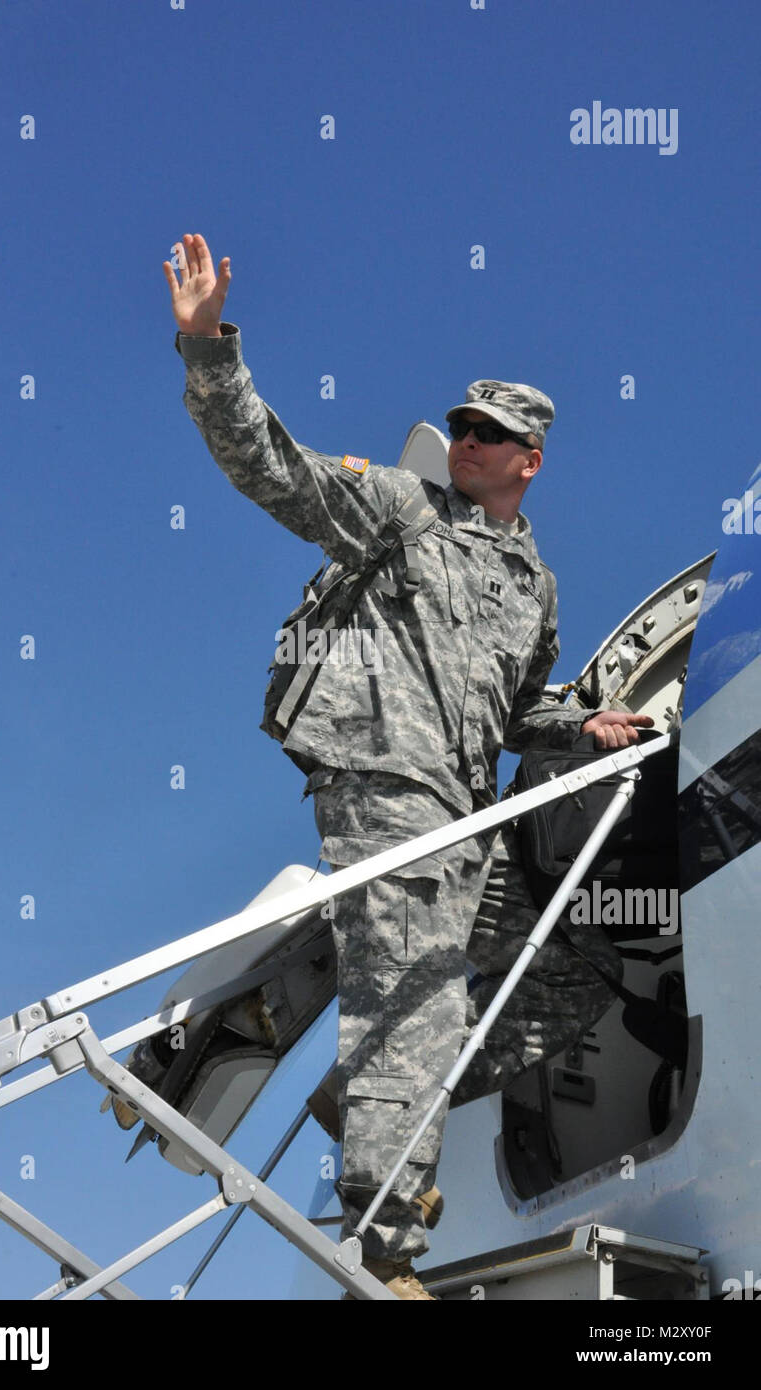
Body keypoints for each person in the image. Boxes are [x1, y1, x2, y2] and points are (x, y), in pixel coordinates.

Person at [164, 232, 652, 1300]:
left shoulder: (534, 585)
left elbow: (520, 705)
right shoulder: (401, 511)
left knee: (552, 973)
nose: (468, 443)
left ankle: (366, 1096)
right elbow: (274, 470)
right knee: (416, 995)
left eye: (491, 435)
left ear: (529, 459)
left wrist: (587, 726)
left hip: (457, 812)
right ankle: (383, 1246)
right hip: (384, 776)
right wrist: (208, 350)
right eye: (463, 428)